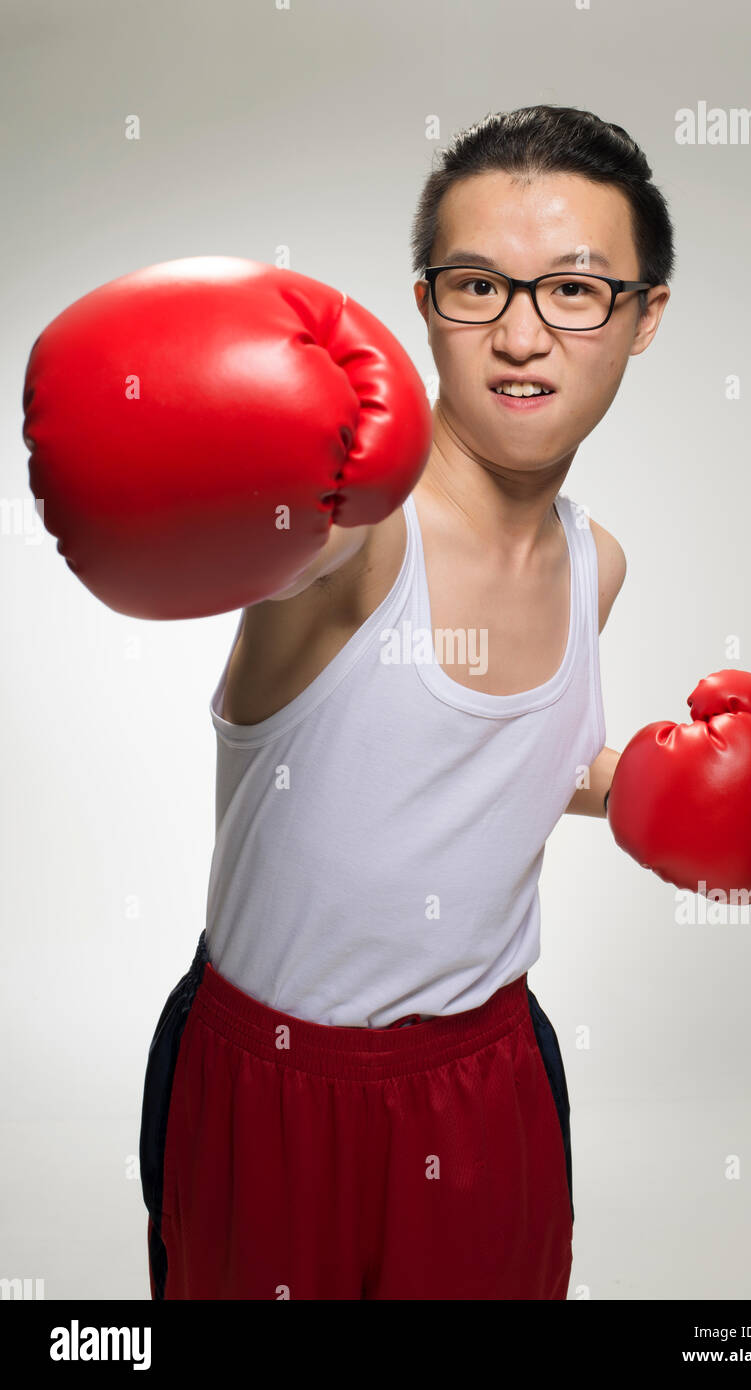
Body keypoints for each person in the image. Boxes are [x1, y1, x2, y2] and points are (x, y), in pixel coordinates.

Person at [137, 104, 673, 1300]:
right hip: (270, 1082)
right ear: (426, 305)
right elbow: (291, 538)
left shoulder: (596, 566)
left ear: (644, 317)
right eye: (478, 286)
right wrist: (196, 439)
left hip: (486, 1077)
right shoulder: (356, 531)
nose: (522, 337)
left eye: (575, 291)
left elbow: (504, 752)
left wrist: (644, 788)